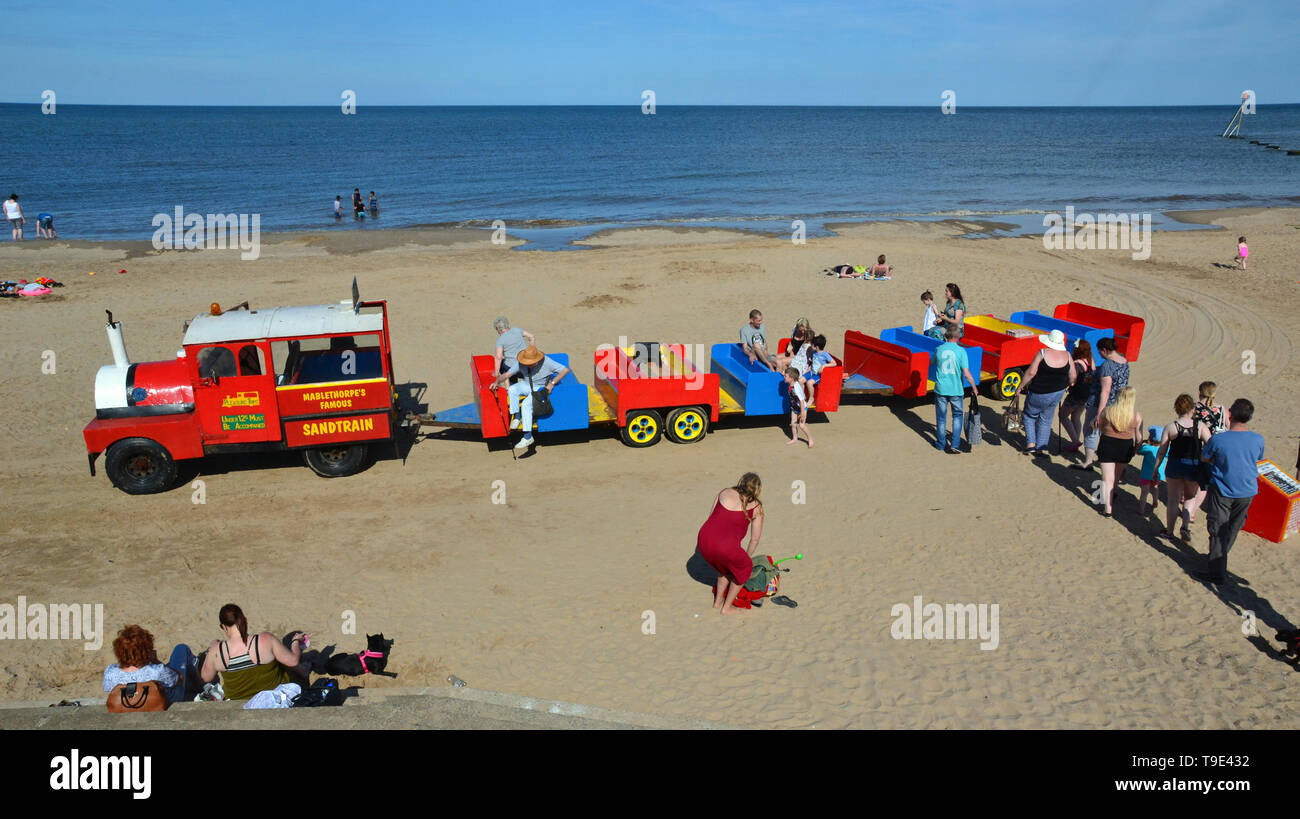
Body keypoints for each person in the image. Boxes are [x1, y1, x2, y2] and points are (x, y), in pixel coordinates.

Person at [1194, 398, 1266, 585]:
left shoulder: (1219, 439)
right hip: (1247, 490)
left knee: (1218, 528)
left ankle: (1217, 572)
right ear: (1250, 417)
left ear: (1230, 415)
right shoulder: (1258, 439)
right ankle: (1218, 558)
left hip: (1223, 489)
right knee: (1233, 527)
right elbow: (1257, 458)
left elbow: (1205, 457)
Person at [199, 604, 308, 701]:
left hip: (238, 701)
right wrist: (295, 641)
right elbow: (293, 661)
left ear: (223, 626)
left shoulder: (217, 651)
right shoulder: (265, 640)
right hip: (274, 697)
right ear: (244, 619)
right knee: (282, 660)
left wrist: (211, 650)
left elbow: (205, 677)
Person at [697, 473, 765, 614]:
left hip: (704, 538)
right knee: (744, 567)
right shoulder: (757, 507)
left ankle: (718, 602)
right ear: (758, 490)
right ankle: (726, 607)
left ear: (741, 481)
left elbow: (711, 517)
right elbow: (755, 539)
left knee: (725, 567)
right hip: (724, 546)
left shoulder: (724, 492)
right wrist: (746, 556)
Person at [1153, 393, 1213, 542]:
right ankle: (1185, 526)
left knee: (1173, 499)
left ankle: (1169, 531)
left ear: (1177, 409)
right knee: (1190, 497)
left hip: (1174, 465)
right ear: (1193, 409)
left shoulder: (1171, 427)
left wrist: (1156, 469)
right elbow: (1212, 445)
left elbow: (1162, 451)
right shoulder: (1201, 427)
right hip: (1193, 466)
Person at [1011, 329, 1075, 457]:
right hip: (1057, 392)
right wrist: (1067, 385)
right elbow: (1073, 376)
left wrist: (1020, 387)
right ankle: (1041, 447)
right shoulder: (1068, 355)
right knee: (1046, 419)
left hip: (1039, 391)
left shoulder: (1042, 353)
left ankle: (1031, 445)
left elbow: (1031, 372)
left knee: (1029, 416)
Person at [1071, 337, 1129, 471]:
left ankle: (1088, 462)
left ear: (1104, 350)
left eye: (1100, 351)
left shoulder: (1108, 365)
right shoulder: (1124, 360)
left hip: (1100, 404)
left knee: (1091, 431)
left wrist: (1099, 414)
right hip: (1118, 403)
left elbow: (1105, 391)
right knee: (1109, 433)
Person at [495, 345, 569, 450]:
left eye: (530, 363)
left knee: (526, 404)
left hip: (539, 388)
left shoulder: (547, 361)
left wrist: (552, 383)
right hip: (526, 384)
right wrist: (496, 381)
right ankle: (517, 417)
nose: (527, 364)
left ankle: (528, 436)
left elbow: (565, 370)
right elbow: (507, 375)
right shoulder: (521, 362)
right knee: (512, 390)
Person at [102, 624, 195, 705]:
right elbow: (179, 679)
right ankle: (200, 685)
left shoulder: (110, 672)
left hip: (125, 704)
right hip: (163, 702)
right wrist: (157, 661)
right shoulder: (157, 671)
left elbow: (107, 688)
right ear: (147, 650)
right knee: (181, 649)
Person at [1095, 386, 1143, 517]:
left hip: (1107, 444)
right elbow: (1139, 437)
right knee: (1116, 475)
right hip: (1125, 447)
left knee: (1107, 478)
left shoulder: (1108, 411)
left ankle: (1108, 509)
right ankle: (1113, 492)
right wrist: (1136, 449)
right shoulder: (1137, 416)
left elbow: (1098, 426)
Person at [933, 324, 977, 454]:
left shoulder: (939, 349)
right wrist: (974, 387)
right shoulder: (961, 351)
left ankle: (941, 444)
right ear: (958, 337)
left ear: (946, 335)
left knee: (941, 418)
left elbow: (931, 362)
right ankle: (955, 444)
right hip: (956, 389)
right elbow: (967, 373)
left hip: (941, 389)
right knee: (957, 416)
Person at [1059, 339, 1095, 452]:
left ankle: (1075, 441)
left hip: (1076, 395)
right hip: (1087, 395)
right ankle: (1075, 441)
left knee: (1063, 415)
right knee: (1076, 417)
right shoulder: (1091, 362)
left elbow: (1072, 379)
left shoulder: (1078, 364)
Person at [1137, 426, 1166, 517]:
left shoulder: (1147, 448)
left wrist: (1142, 443)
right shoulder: (1165, 449)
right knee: (1155, 488)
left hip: (1146, 474)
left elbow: (1138, 451)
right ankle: (1155, 501)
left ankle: (1141, 510)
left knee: (1144, 492)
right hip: (1158, 474)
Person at [802, 334, 835, 407]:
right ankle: (803, 397)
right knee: (800, 380)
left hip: (818, 375)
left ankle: (811, 398)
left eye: (812, 345)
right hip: (811, 371)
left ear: (816, 347)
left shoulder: (825, 354)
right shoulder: (814, 352)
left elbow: (834, 363)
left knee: (809, 383)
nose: (811, 346)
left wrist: (824, 366)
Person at [784, 367, 812, 447]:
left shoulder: (796, 387)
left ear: (791, 378)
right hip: (795, 407)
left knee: (802, 425)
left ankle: (810, 439)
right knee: (793, 423)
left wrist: (802, 413)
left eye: (786, 376)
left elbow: (802, 401)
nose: (784, 377)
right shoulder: (791, 384)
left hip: (802, 408)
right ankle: (795, 438)